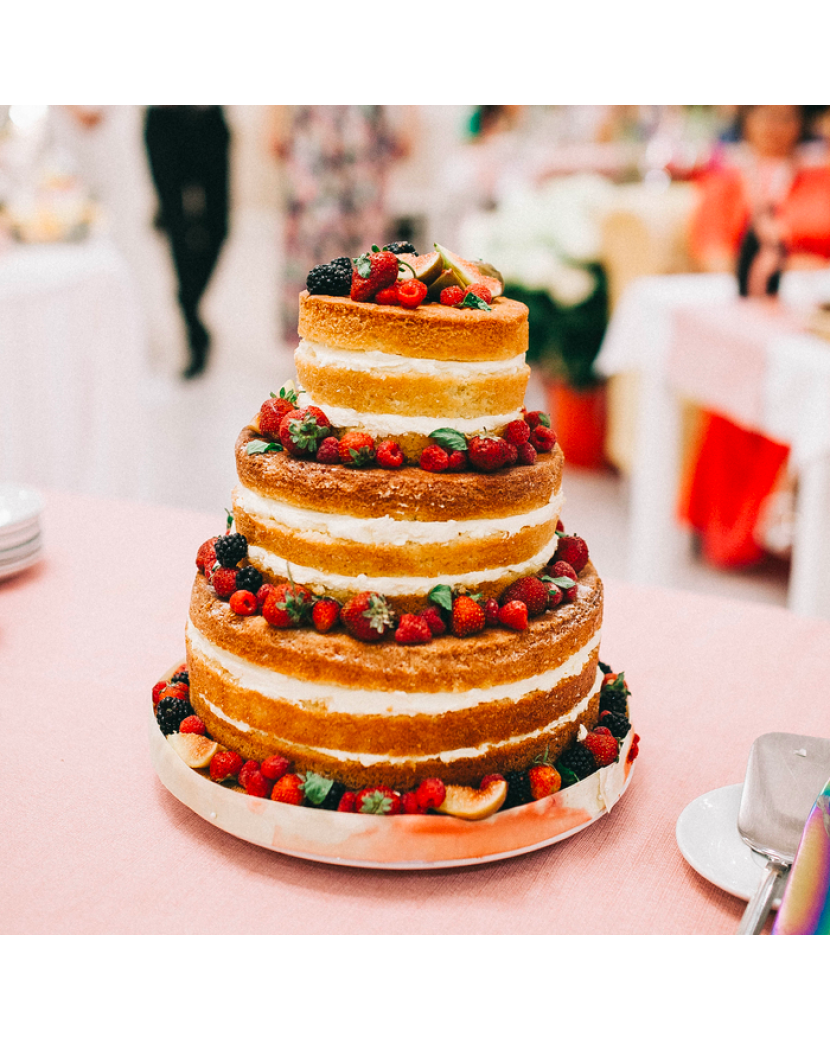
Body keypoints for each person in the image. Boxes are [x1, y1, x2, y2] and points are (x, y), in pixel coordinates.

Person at [680, 105, 830, 568]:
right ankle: (740, 526)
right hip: (752, 310)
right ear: (746, 122)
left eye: (785, 119)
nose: (775, 129)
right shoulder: (729, 181)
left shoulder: (819, 178)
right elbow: (712, 252)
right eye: (765, 118)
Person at [268, 106, 408, 343]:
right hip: (316, 160)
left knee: (365, 259)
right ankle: (313, 343)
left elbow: (403, 140)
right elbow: (275, 138)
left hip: (362, 160)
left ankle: (361, 340)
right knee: (312, 252)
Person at [144, 106, 230, 378]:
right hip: (163, 120)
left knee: (220, 226)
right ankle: (193, 329)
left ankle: (186, 302)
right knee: (176, 228)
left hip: (208, 118)